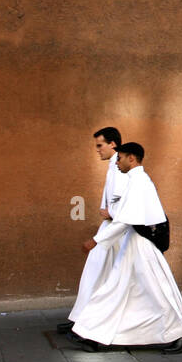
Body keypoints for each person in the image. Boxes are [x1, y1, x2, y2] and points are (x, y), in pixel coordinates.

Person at [70, 143, 182, 353]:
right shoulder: (135, 180)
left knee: (156, 291)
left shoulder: (139, 182)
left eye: (119, 158)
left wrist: (96, 241)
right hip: (133, 243)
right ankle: (91, 333)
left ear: (132, 158)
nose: (116, 162)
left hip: (141, 246)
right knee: (116, 289)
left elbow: (124, 221)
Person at [58, 126, 125, 334]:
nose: (97, 150)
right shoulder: (113, 165)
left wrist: (110, 212)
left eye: (100, 145)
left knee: (102, 274)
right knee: (96, 273)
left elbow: (125, 199)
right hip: (110, 228)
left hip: (116, 230)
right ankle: (81, 319)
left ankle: (84, 320)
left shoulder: (120, 166)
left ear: (112, 144)